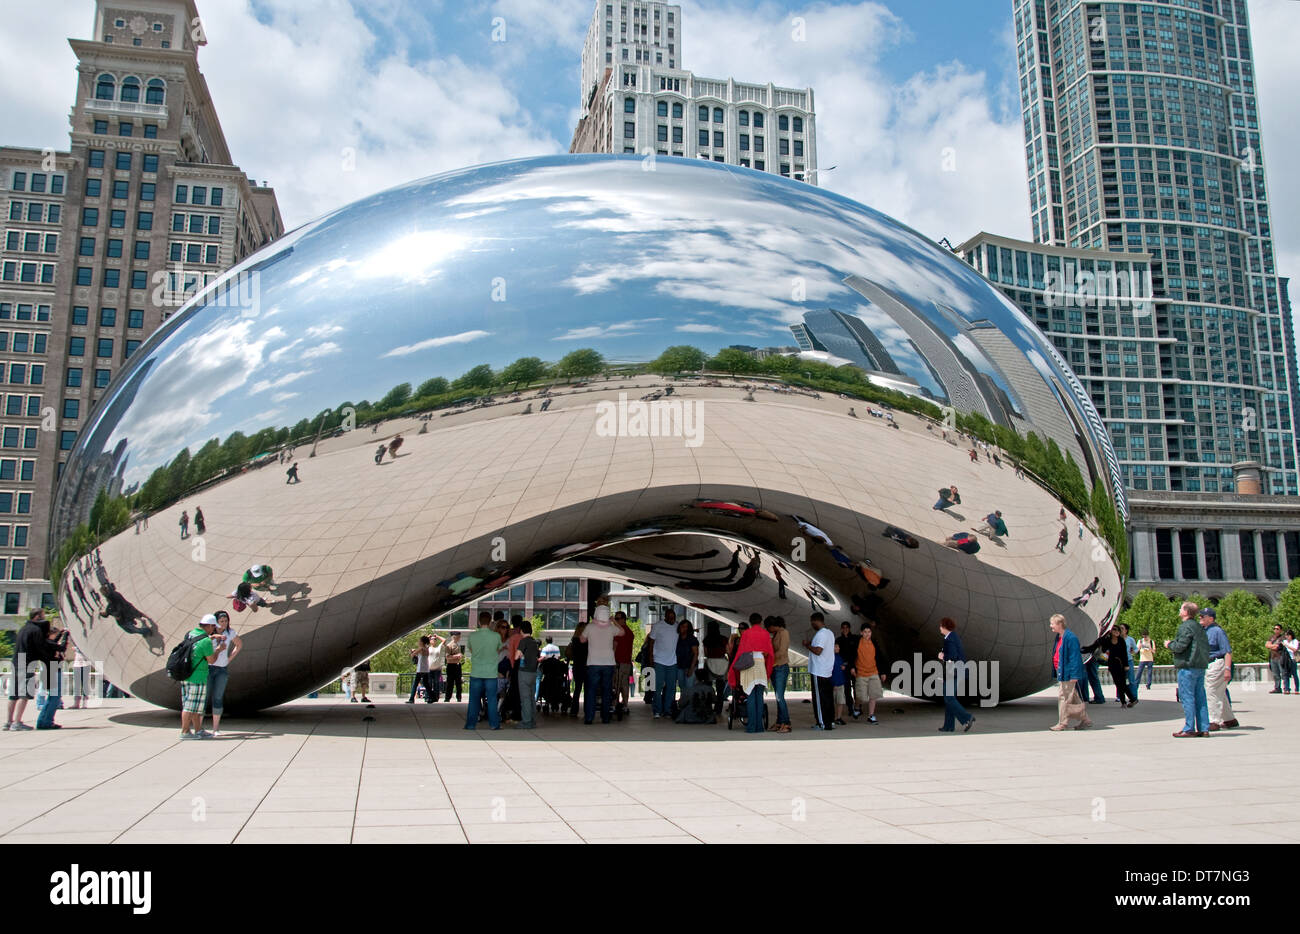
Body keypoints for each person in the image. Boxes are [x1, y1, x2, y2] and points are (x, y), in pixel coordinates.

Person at [6, 609, 62, 731]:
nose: (44, 618)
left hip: (16, 661)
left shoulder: (23, 629)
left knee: (14, 695)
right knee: (24, 695)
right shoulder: (35, 630)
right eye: (43, 616)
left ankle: (9, 722)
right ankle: (17, 722)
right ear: (37, 617)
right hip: (27, 663)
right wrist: (53, 654)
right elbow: (40, 648)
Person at [1166, 601, 1210, 738]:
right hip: (1200, 666)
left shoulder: (1185, 627)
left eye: (1181, 608)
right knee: (1200, 698)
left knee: (1187, 697)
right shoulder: (1199, 627)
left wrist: (1169, 644)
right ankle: (1204, 728)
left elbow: (1180, 646)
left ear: (1185, 612)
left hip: (1187, 666)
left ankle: (1189, 728)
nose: (1179, 610)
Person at [726, 612, 774, 734]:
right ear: (761, 622)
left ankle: (751, 726)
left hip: (749, 667)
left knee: (750, 697)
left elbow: (741, 652)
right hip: (761, 666)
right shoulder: (765, 634)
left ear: (751, 622)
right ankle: (759, 727)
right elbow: (769, 653)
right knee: (759, 696)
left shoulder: (746, 634)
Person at [180, 614, 222, 740]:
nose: (213, 629)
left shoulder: (190, 634)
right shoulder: (206, 641)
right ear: (209, 626)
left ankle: (198, 730)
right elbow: (211, 660)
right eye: (213, 627)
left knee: (196, 706)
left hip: (186, 674)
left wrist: (212, 637)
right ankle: (185, 732)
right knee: (190, 707)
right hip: (198, 677)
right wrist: (219, 650)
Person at [1049, 614, 1092, 730]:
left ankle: (1062, 723)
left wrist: (1074, 675)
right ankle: (1085, 719)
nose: (1050, 626)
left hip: (1068, 673)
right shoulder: (1059, 637)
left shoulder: (1071, 638)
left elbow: (1075, 658)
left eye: (1052, 623)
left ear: (1059, 624)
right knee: (1073, 697)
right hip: (1062, 671)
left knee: (1063, 697)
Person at [1200, 608, 1238, 731]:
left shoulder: (1217, 631)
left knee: (1211, 692)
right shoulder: (1204, 631)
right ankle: (1229, 719)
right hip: (1209, 664)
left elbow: (1227, 651)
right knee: (1220, 692)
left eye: (1203, 616)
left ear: (1210, 618)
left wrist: (1227, 669)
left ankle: (1213, 721)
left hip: (1217, 663)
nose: (1200, 618)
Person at [581, 598, 618, 724]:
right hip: (608, 663)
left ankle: (589, 717)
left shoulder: (590, 627)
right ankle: (606, 717)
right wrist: (614, 621)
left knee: (591, 690)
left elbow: (581, 640)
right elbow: (623, 632)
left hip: (593, 663)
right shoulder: (611, 628)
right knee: (607, 690)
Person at [465, 612, 503, 730]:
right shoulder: (496, 636)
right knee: (492, 699)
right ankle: (494, 724)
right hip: (491, 673)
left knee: (474, 699)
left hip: (476, 671)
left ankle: (471, 724)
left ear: (479, 622)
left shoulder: (472, 636)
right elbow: (499, 650)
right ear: (490, 621)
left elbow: (471, 650)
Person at [937, 618, 975, 733]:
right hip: (956, 671)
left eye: (940, 626)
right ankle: (949, 726)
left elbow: (952, 656)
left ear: (944, 627)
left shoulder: (949, 639)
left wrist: (942, 656)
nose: (939, 628)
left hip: (954, 672)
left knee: (948, 697)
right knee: (949, 697)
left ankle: (967, 718)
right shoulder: (952, 637)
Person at [208, 610, 241, 736]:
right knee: (204, 697)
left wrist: (228, 659)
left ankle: (216, 729)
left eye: (226, 621)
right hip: (209, 668)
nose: (224, 623)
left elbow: (239, 644)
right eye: (221, 621)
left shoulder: (230, 632)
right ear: (216, 622)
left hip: (221, 669)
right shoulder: (210, 633)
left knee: (217, 697)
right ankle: (198, 728)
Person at [803, 612, 836, 731]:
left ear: (815, 621)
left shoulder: (821, 634)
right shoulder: (830, 633)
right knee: (828, 697)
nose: (812, 625)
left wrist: (807, 645)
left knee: (819, 698)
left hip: (818, 670)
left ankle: (821, 722)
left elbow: (818, 651)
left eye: (812, 622)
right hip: (827, 669)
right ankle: (830, 721)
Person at [647, 608, 680, 719]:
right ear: (665, 617)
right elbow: (651, 642)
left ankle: (667, 710)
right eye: (670, 617)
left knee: (671, 688)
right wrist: (651, 657)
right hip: (659, 660)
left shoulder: (677, 626)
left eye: (674, 617)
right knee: (657, 687)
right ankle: (657, 710)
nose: (672, 619)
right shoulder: (658, 626)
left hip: (673, 661)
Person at [851, 622, 883, 724]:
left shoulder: (874, 643)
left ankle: (871, 715)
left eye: (869, 632)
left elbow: (879, 658)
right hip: (861, 672)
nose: (867, 634)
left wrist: (882, 672)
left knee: (873, 695)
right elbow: (851, 655)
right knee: (861, 697)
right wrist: (852, 667)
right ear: (861, 633)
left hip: (873, 672)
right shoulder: (857, 642)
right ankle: (856, 707)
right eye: (865, 632)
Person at [765, 617, 791, 732]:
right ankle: (780, 721)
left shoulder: (784, 633)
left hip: (781, 666)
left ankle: (786, 723)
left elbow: (782, 650)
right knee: (777, 696)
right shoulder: (776, 634)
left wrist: (769, 656)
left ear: (772, 626)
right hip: (775, 667)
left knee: (780, 696)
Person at [515, 620, 540, 729]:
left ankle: (526, 721)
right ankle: (533, 720)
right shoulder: (534, 642)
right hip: (534, 672)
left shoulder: (523, 641)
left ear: (521, 630)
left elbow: (517, 656)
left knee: (525, 698)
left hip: (524, 671)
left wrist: (519, 655)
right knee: (531, 698)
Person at [701, 620, 730, 716]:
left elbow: (705, 653)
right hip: (721, 663)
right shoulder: (724, 639)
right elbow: (728, 651)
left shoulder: (706, 640)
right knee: (720, 689)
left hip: (710, 662)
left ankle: (708, 707)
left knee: (708, 687)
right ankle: (718, 709)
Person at [1104, 627, 1136, 707]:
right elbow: (1104, 649)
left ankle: (1131, 699)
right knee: (1118, 683)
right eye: (1114, 630)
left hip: (1120, 664)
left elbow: (1124, 653)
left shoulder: (1121, 640)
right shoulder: (1108, 640)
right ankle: (1124, 702)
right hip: (1112, 664)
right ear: (1111, 631)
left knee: (1122, 683)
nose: (1116, 631)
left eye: (1118, 630)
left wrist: (1126, 665)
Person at [835, 620, 860, 717]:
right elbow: (837, 653)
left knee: (857, 688)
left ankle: (857, 707)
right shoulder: (839, 640)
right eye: (843, 628)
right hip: (844, 667)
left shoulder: (855, 639)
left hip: (854, 666)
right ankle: (850, 707)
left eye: (847, 628)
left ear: (849, 629)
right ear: (841, 629)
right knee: (847, 689)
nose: (845, 629)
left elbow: (856, 653)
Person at [613, 611, 634, 716]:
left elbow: (614, 647)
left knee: (616, 685)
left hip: (618, 662)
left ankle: (615, 704)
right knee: (625, 685)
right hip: (627, 662)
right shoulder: (630, 632)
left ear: (623, 619)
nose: (615, 621)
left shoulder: (618, 632)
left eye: (617, 619)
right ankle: (625, 705)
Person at [674, 618, 699, 708]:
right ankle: (683, 704)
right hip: (679, 666)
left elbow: (696, 654)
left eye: (686, 627)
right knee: (682, 686)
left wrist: (692, 669)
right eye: (682, 626)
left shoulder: (692, 639)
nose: (684, 629)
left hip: (690, 666)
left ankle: (689, 706)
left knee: (689, 686)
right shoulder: (677, 638)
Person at [567, 621, 589, 717]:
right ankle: (587, 710)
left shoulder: (574, 640)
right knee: (588, 689)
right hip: (587, 666)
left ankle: (574, 710)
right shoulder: (587, 641)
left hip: (577, 666)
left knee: (577, 689)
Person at [406, 635, 434, 704]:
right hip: (426, 669)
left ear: (422, 642)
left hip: (420, 669)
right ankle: (431, 697)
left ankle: (411, 699)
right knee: (426, 684)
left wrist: (412, 652)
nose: (418, 642)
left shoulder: (421, 649)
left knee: (415, 684)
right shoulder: (427, 649)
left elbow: (412, 655)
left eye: (419, 641)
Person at [1266, 624, 1290, 694]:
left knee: (1283, 673)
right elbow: (1267, 645)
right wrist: (1272, 646)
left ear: (1280, 630)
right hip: (1272, 657)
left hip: (1280, 657)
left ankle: (1286, 688)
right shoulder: (1271, 637)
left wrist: (1271, 646)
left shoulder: (1282, 638)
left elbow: (1278, 647)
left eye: (1277, 629)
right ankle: (1277, 688)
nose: (1275, 630)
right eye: (1274, 629)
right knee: (1275, 674)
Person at [443, 632, 464, 701]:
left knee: (458, 682)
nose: (459, 638)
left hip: (458, 665)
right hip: (451, 666)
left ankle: (459, 697)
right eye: (458, 636)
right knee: (450, 682)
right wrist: (457, 656)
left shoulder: (457, 645)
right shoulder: (449, 646)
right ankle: (447, 698)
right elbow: (447, 657)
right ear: (454, 636)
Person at [70, 641, 91, 709]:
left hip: (85, 664)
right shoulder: (76, 643)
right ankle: (76, 703)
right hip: (77, 665)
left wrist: (76, 649)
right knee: (77, 685)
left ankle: (85, 703)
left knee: (85, 684)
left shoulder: (86, 645)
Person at [1134, 629, 1155, 694]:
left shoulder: (1151, 641)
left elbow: (1154, 651)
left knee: (1149, 673)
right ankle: (1136, 684)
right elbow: (1136, 650)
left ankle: (1148, 685)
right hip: (1142, 659)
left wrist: (1149, 648)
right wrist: (1140, 646)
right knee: (1139, 673)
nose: (1145, 638)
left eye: (1146, 636)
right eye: (1144, 636)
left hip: (1150, 659)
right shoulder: (1140, 641)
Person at [427, 632, 446, 702]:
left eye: (435, 640)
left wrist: (437, 636)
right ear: (429, 641)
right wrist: (427, 637)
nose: (434, 640)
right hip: (429, 669)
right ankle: (428, 697)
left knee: (436, 683)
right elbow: (422, 642)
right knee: (429, 683)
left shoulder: (438, 647)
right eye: (432, 639)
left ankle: (436, 697)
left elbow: (444, 640)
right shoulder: (428, 648)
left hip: (437, 669)